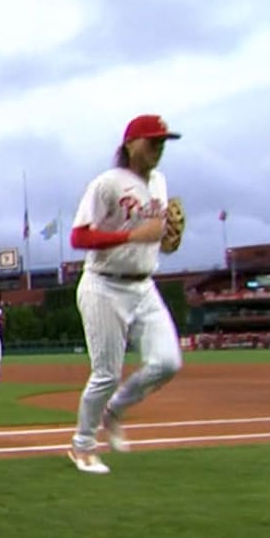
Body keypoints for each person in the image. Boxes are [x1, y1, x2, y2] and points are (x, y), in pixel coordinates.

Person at [66, 114, 186, 475]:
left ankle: (114, 411)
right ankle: (82, 445)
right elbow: (79, 237)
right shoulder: (107, 184)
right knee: (106, 372)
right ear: (131, 144)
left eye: (163, 143)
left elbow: (155, 235)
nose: (159, 149)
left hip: (144, 284)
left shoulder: (160, 183)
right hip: (104, 284)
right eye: (153, 142)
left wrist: (165, 238)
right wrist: (132, 236)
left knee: (168, 363)